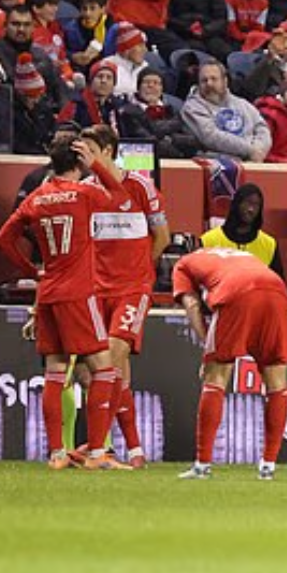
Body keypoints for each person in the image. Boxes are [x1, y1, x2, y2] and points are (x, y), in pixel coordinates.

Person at [0, 137, 126, 470]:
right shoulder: (84, 193)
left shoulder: (37, 198)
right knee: (105, 370)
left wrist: (33, 272)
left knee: (55, 372)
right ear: (78, 160)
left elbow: (3, 239)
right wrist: (97, 164)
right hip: (79, 293)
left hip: (49, 292)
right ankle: (97, 453)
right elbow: (120, 197)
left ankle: (56, 453)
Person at [78, 124, 170, 470]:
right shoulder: (85, 190)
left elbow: (162, 235)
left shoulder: (141, 185)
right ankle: (133, 450)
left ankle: (97, 451)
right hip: (96, 290)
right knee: (110, 374)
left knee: (113, 356)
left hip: (132, 288)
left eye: (88, 150)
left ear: (107, 150)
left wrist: (140, 273)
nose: (83, 158)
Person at [172, 247, 287, 480]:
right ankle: (268, 466)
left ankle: (202, 465)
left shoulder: (183, 265)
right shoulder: (235, 255)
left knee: (215, 376)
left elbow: (193, 306)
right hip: (276, 288)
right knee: (277, 381)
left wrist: (207, 345)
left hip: (238, 289)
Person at [182, 62, 271, 161]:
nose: (209, 84)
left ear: (225, 81)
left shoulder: (243, 104)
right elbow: (210, 137)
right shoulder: (192, 108)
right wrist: (249, 150)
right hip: (216, 166)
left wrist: (260, 149)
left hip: (253, 161)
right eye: (204, 80)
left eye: (214, 79)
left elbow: (261, 127)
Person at [201, 183, 284, 274]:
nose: (251, 209)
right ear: (237, 204)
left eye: (256, 204)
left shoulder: (269, 245)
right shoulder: (208, 241)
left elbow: (277, 285)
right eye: (247, 202)